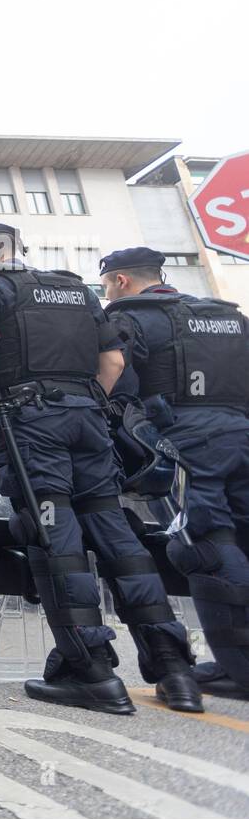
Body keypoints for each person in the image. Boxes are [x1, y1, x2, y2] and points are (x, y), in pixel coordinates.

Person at [0, 225, 202, 713]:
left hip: (30, 424)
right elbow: (111, 362)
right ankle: (174, 669)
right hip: (89, 421)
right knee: (119, 538)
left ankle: (91, 671)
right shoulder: (71, 286)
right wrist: (83, 405)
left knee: (55, 541)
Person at [101, 247, 249, 699]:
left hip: (188, 442)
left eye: (107, 284)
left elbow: (118, 384)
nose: (106, 292)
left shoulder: (131, 318)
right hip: (242, 433)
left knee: (205, 547)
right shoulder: (227, 317)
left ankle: (240, 669)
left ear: (121, 280)